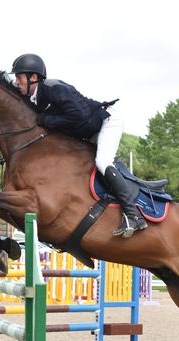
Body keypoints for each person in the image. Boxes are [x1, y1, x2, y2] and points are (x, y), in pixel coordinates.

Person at [11, 53, 147, 239]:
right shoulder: (34, 99)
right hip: (88, 131)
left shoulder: (53, 88)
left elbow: (78, 117)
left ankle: (133, 215)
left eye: (19, 78)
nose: (16, 82)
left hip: (107, 122)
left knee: (102, 162)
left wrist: (47, 119)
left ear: (33, 77)